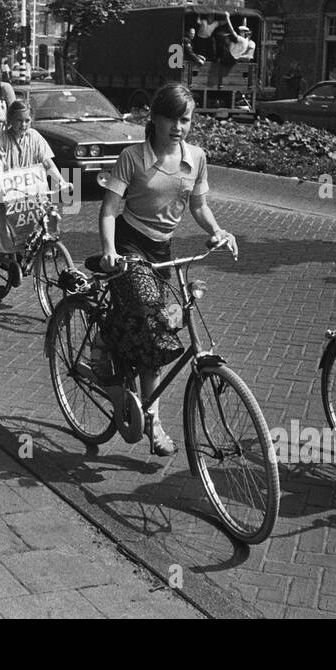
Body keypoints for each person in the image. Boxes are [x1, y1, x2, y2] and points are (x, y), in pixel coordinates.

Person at [99, 82, 238, 456]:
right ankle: (154, 424)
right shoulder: (132, 157)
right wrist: (110, 250)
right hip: (130, 244)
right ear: (155, 118)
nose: (178, 127)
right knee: (154, 327)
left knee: (163, 322)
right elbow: (110, 209)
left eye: (186, 120)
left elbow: (198, 206)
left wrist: (218, 230)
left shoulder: (197, 157)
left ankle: (110, 351)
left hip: (163, 249)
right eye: (171, 118)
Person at [0, 101, 70, 292]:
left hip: (30, 194)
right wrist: (1, 187)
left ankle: (20, 260)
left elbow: (47, 163)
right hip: (5, 197)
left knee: (37, 227)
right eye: (19, 121)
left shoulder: (35, 137)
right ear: (10, 120)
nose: (23, 125)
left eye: (27, 120)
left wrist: (61, 181)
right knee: (5, 239)